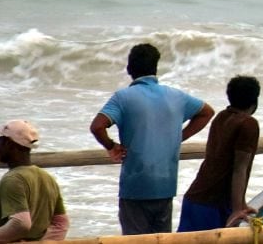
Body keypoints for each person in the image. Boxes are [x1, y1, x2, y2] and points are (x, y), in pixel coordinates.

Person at [90, 43, 215, 235]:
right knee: (161, 239)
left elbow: (97, 126)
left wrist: (111, 146)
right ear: (155, 68)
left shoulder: (123, 97)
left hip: (135, 187)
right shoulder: (176, 96)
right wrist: (178, 137)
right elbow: (207, 112)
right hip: (165, 186)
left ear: (129, 69)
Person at [178, 75, 262, 231]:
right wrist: (238, 209)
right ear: (254, 101)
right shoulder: (248, 123)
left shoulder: (222, 117)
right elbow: (239, 168)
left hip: (196, 199)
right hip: (211, 205)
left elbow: (221, 160)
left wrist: (241, 203)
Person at [0, 120, 69, 243]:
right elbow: (61, 223)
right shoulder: (47, 177)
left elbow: (21, 223)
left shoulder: (13, 180)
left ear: (9, 144)